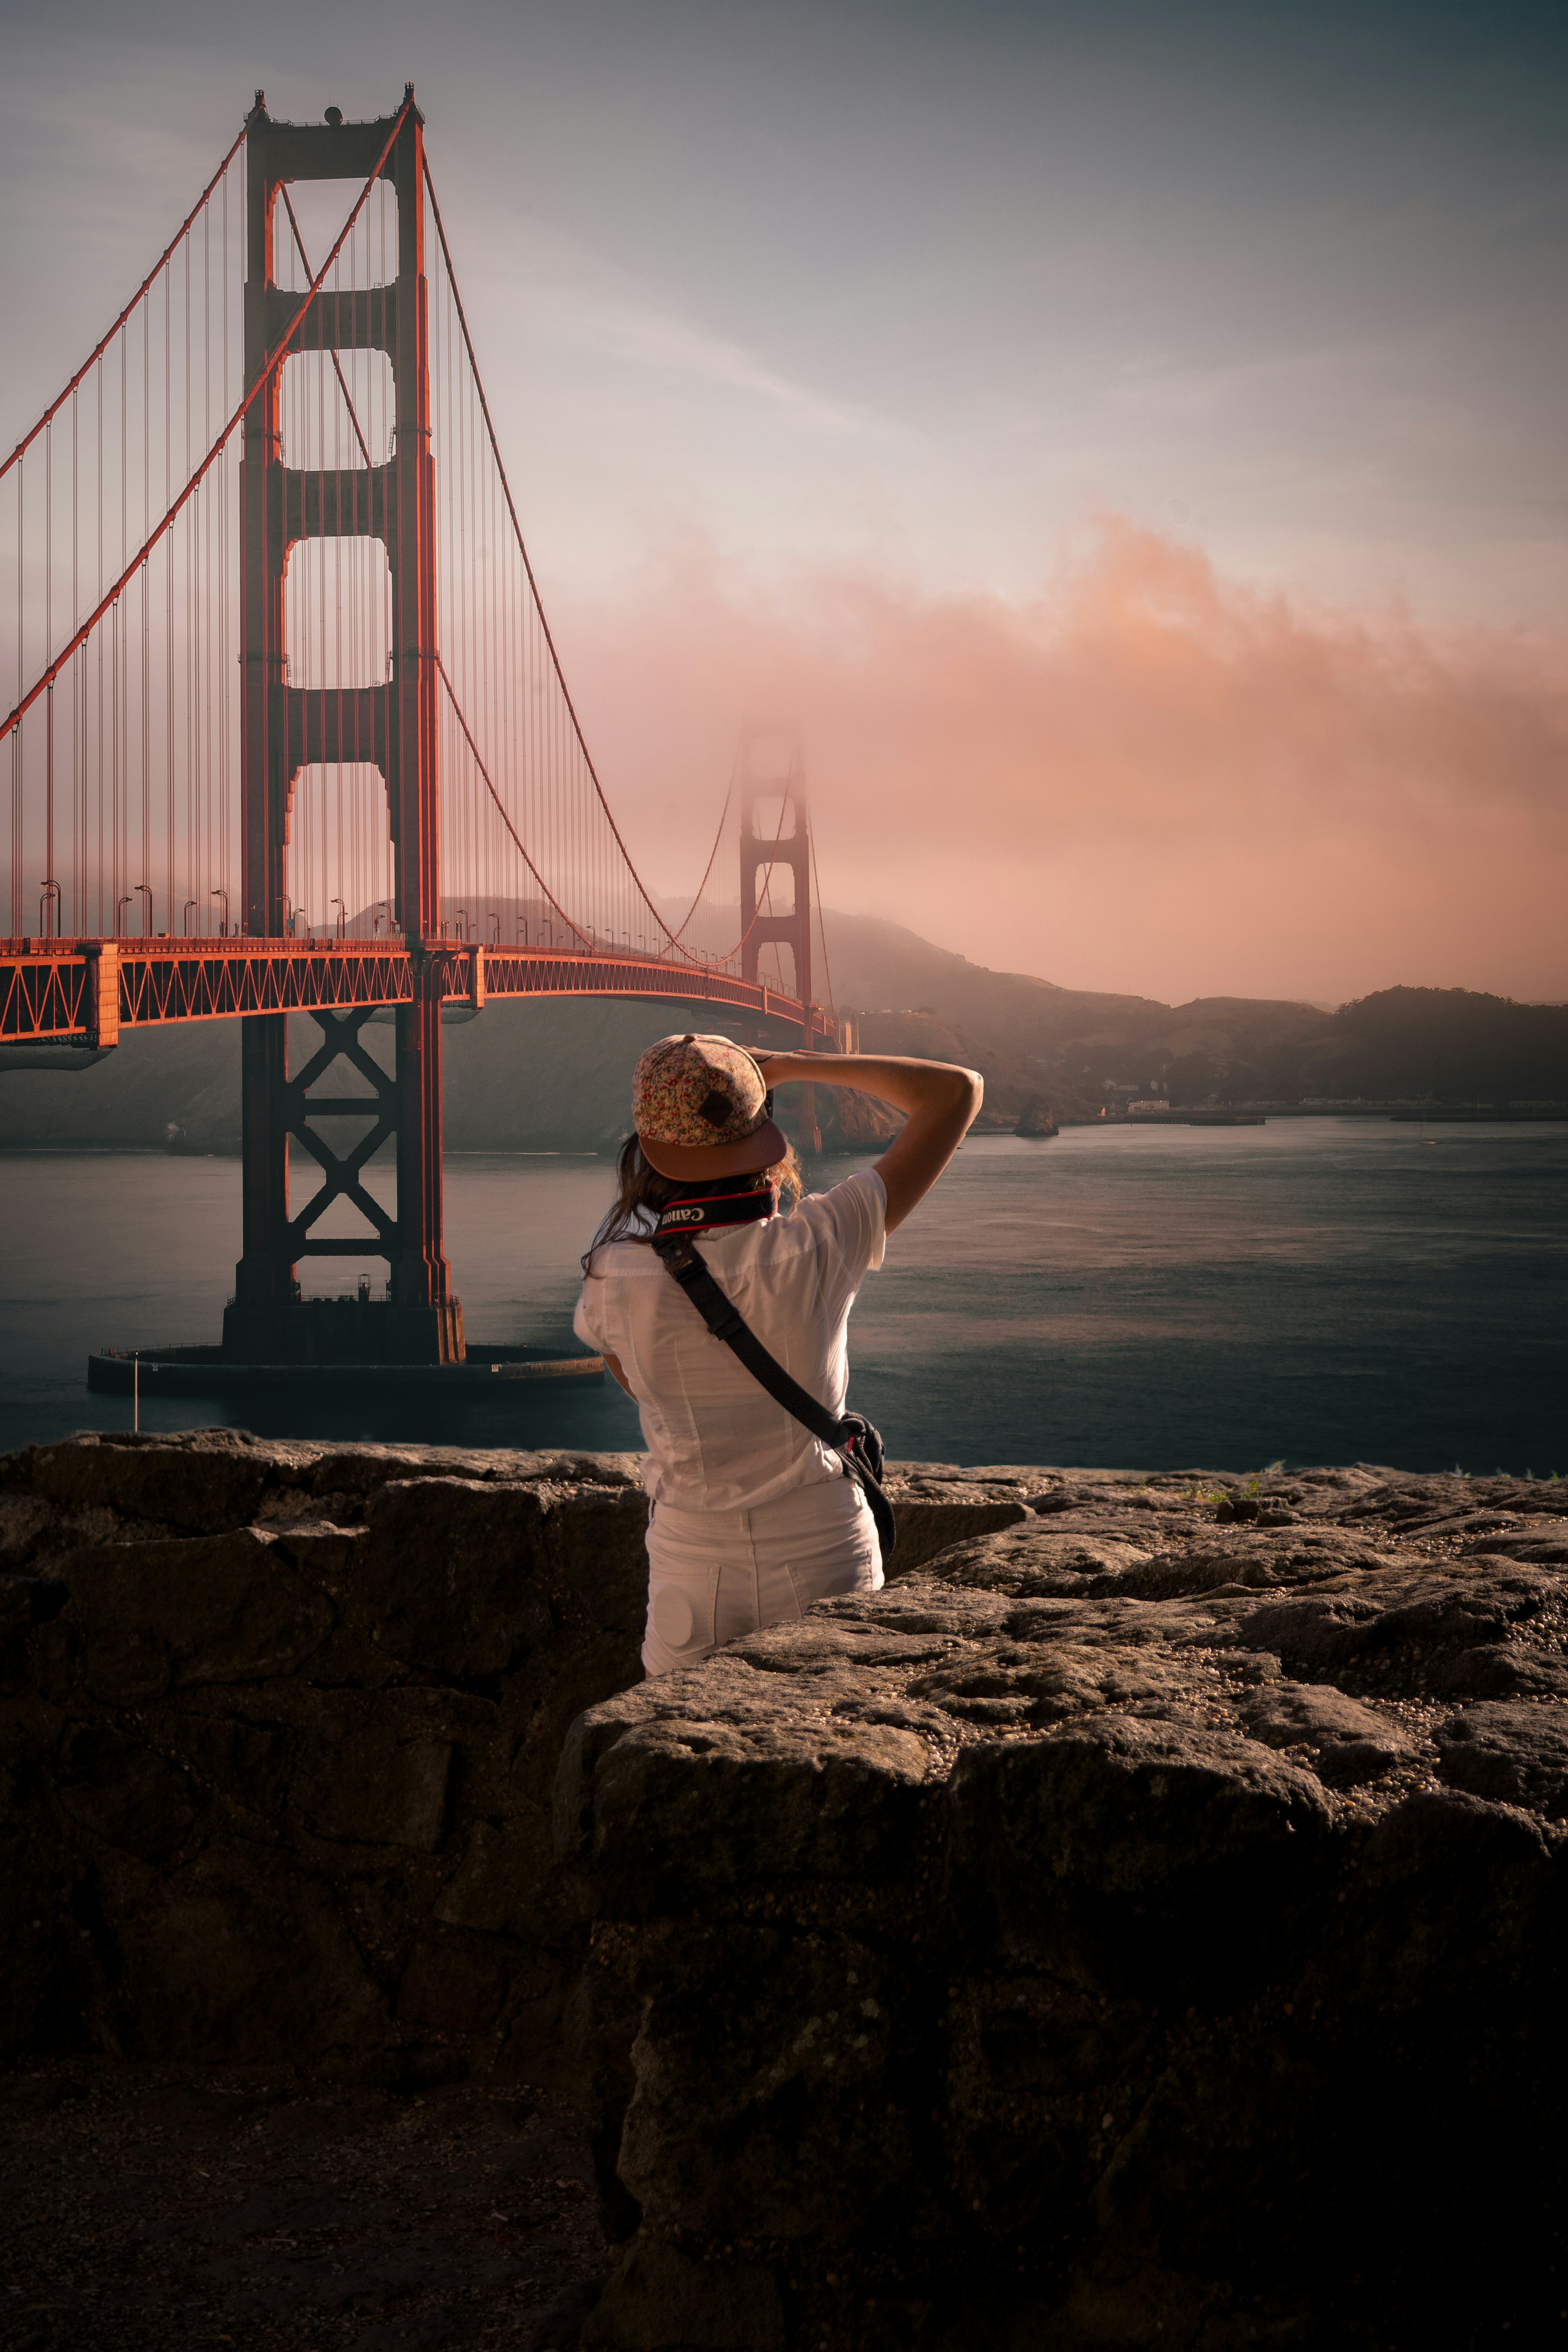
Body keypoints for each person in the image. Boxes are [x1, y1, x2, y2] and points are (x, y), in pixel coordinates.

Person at [574, 1031, 982, 1676]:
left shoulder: (610, 1278)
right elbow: (958, 1091)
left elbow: (639, 1384)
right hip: (826, 1554)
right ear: (761, 1140)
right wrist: (794, 1067)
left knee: (679, 1761)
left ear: (648, 1151)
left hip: (691, 1564)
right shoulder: (821, 1241)